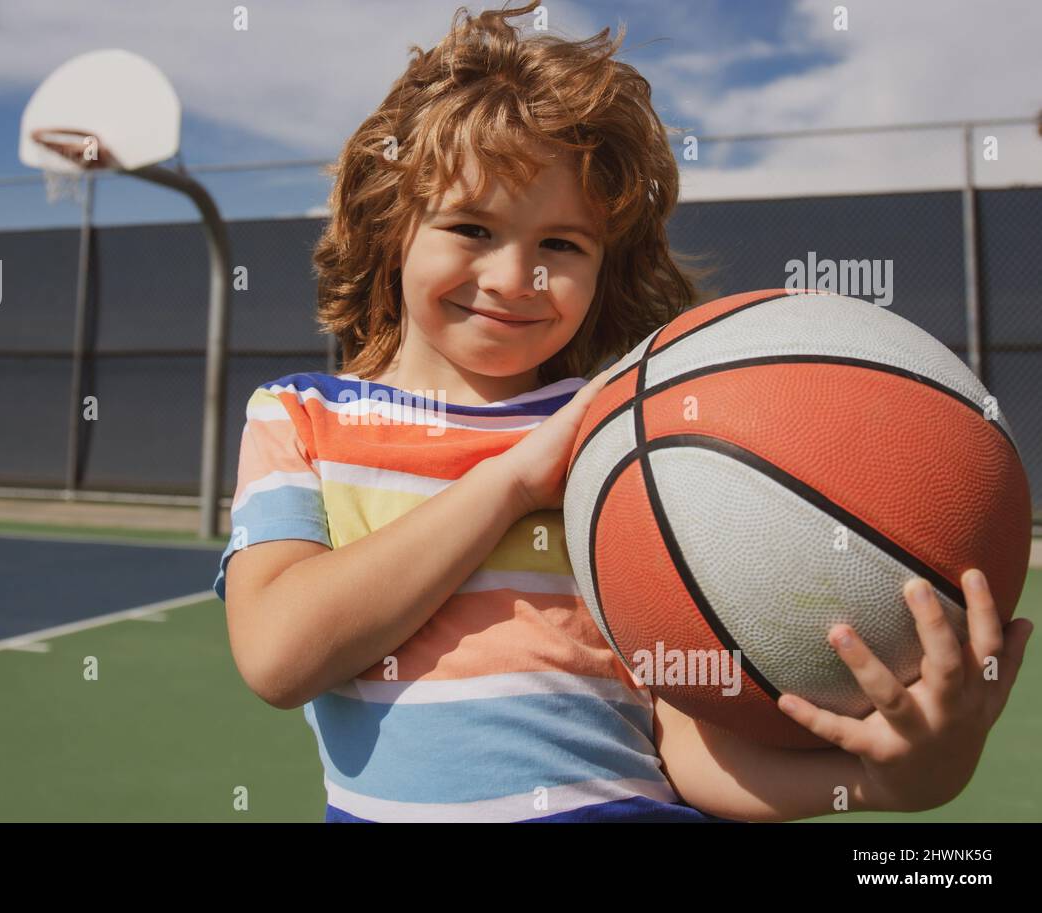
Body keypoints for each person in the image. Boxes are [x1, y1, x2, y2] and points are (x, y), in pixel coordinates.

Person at [211, 1, 1032, 823]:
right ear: (391, 229)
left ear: (607, 263)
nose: (514, 277)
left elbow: (675, 744)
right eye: (471, 227)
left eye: (561, 245)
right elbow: (280, 655)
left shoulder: (629, 433)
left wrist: (884, 781)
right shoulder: (301, 418)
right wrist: (510, 484)